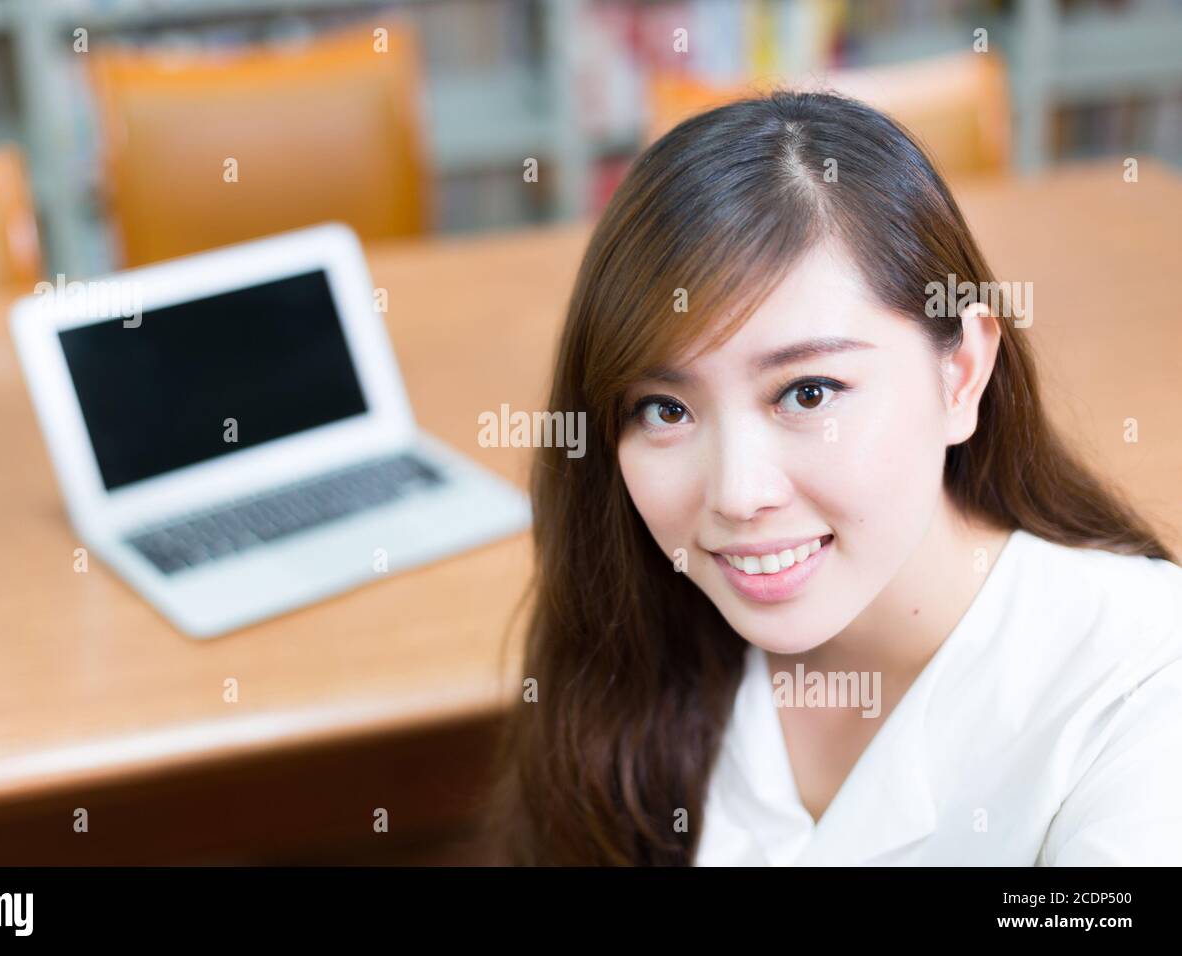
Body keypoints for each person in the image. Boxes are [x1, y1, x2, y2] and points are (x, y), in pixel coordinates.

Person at [483, 90, 1182, 865]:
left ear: (962, 374)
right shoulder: (641, 639)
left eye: (807, 392)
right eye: (664, 410)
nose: (737, 494)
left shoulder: (1144, 690)